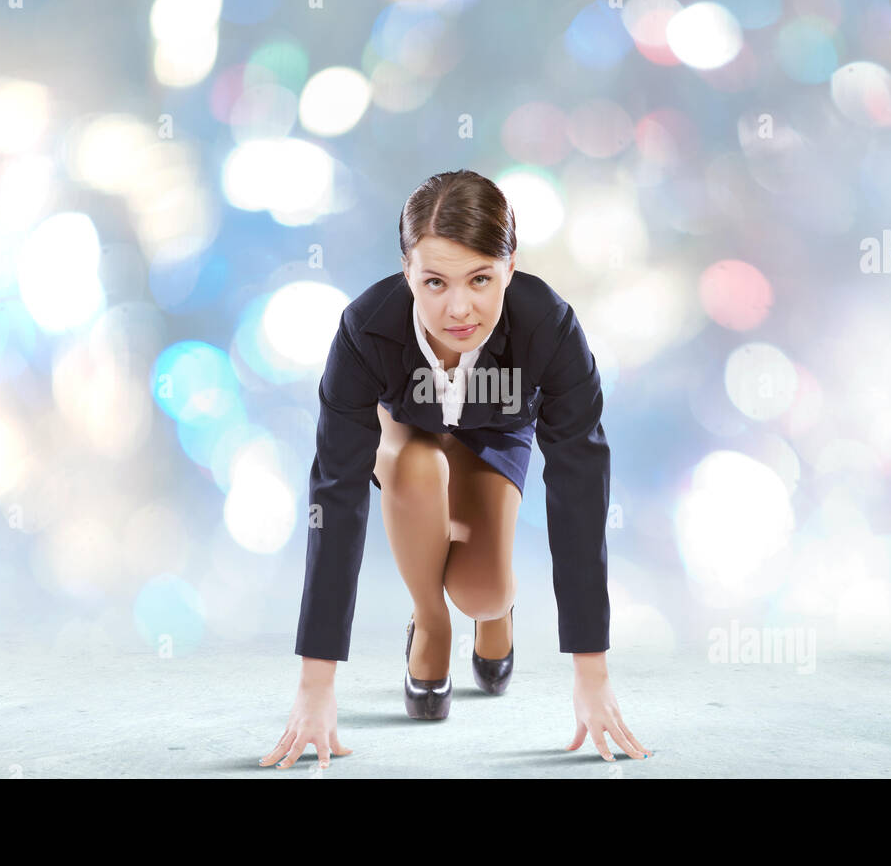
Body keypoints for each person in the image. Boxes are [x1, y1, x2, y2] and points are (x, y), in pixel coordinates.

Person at [260, 169, 650, 769]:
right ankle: (430, 622)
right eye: (435, 281)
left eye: (480, 279)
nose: (459, 308)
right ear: (406, 271)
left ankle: (495, 612)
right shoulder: (365, 330)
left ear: (511, 266)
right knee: (415, 467)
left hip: (496, 434)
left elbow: (579, 484)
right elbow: (335, 494)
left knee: (485, 591)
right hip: (409, 430)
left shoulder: (550, 326)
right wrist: (317, 685)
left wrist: (591, 671)